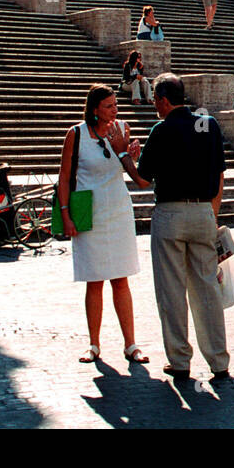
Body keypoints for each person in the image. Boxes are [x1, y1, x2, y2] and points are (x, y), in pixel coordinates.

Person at [133, 74, 230, 382]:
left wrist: (125, 155)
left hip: (170, 214)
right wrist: (211, 215)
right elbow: (219, 177)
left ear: (163, 100)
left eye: (155, 102)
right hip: (202, 210)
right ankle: (218, 360)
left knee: (172, 291)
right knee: (207, 291)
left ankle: (179, 360)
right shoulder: (208, 124)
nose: (155, 107)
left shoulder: (160, 130)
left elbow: (143, 180)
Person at [57, 84, 150, 365]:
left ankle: (131, 344)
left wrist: (130, 154)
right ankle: (94, 344)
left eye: (115, 105)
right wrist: (65, 215)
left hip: (117, 210)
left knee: (121, 279)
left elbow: (130, 167)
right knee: (94, 280)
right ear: (95, 108)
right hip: (89, 211)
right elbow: (64, 177)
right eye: (109, 105)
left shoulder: (122, 128)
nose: (114, 109)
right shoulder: (76, 134)